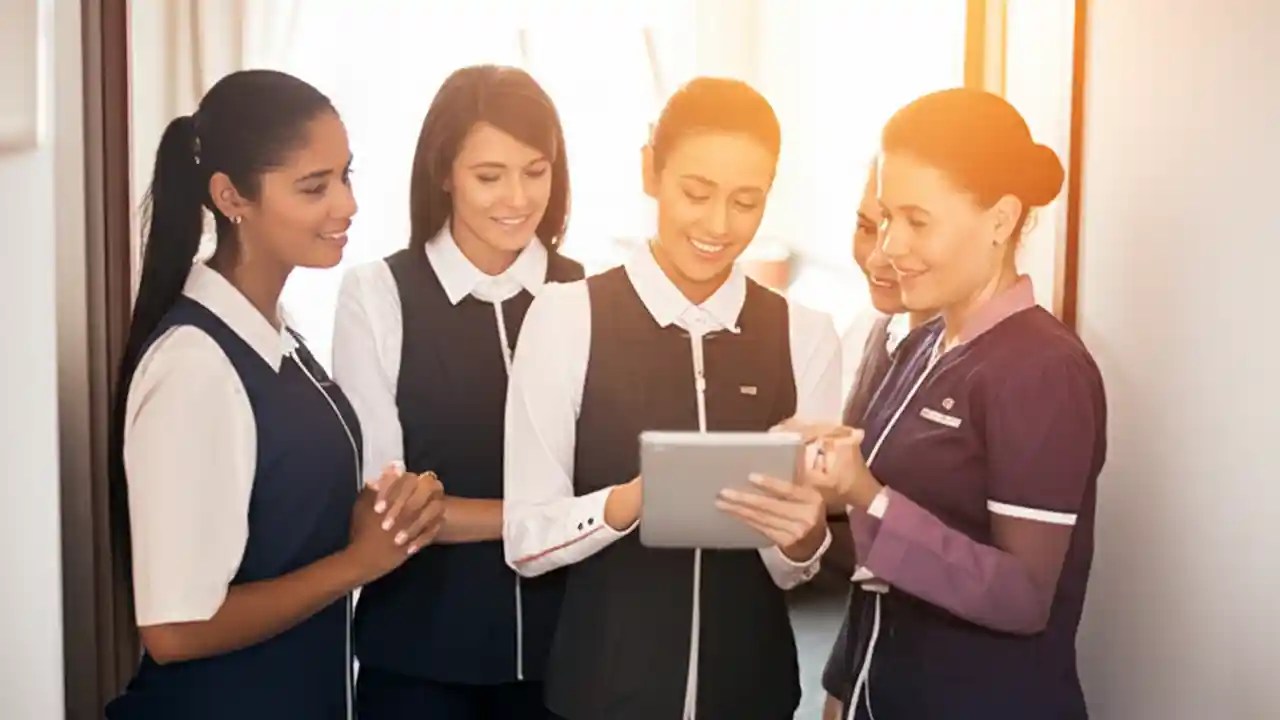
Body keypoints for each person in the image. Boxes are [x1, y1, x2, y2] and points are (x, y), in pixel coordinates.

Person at [104, 70, 446, 720]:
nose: (345, 204)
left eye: (345, 175)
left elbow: (277, 515)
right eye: (314, 187)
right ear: (232, 197)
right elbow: (173, 629)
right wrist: (357, 562)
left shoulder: (280, 339)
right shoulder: (195, 364)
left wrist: (380, 512)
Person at [502, 77, 842, 720]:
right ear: (650, 170)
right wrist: (634, 500)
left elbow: (790, 571)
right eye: (696, 192)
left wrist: (804, 539)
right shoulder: (566, 316)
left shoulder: (807, 335)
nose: (718, 225)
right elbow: (525, 539)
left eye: (746, 201)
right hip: (601, 695)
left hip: (754, 694)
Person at [776, 88, 1107, 719]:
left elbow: (1023, 595)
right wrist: (845, 682)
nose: (890, 248)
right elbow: (885, 568)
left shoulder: (1042, 371)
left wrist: (867, 494)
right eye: (886, 218)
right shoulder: (926, 342)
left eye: (916, 221)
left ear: (1002, 220)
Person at [332, 65, 581, 719]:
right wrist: (554, 518)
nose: (518, 198)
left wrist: (472, 515)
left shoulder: (589, 297)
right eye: (489, 175)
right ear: (445, 172)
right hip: (420, 662)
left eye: (536, 170)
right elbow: (390, 504)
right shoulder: (378, 295)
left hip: (569, 661)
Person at [820, 161, 936, 720]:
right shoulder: (871, 330)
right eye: (868, 226)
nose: (876, 256)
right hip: (865, 646)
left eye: (911, 224)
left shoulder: (1003, 367)